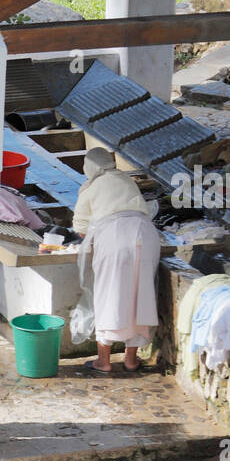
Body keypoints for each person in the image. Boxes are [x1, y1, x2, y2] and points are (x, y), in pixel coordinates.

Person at [75, 148, 161, 373]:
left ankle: (103, 361)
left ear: (88, 167)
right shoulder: (126, 179)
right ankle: (131, 360)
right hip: (145, 233)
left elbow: (81, 228)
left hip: (114, 236)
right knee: (139, 295)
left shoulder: (90, 188)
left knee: (109, 295)